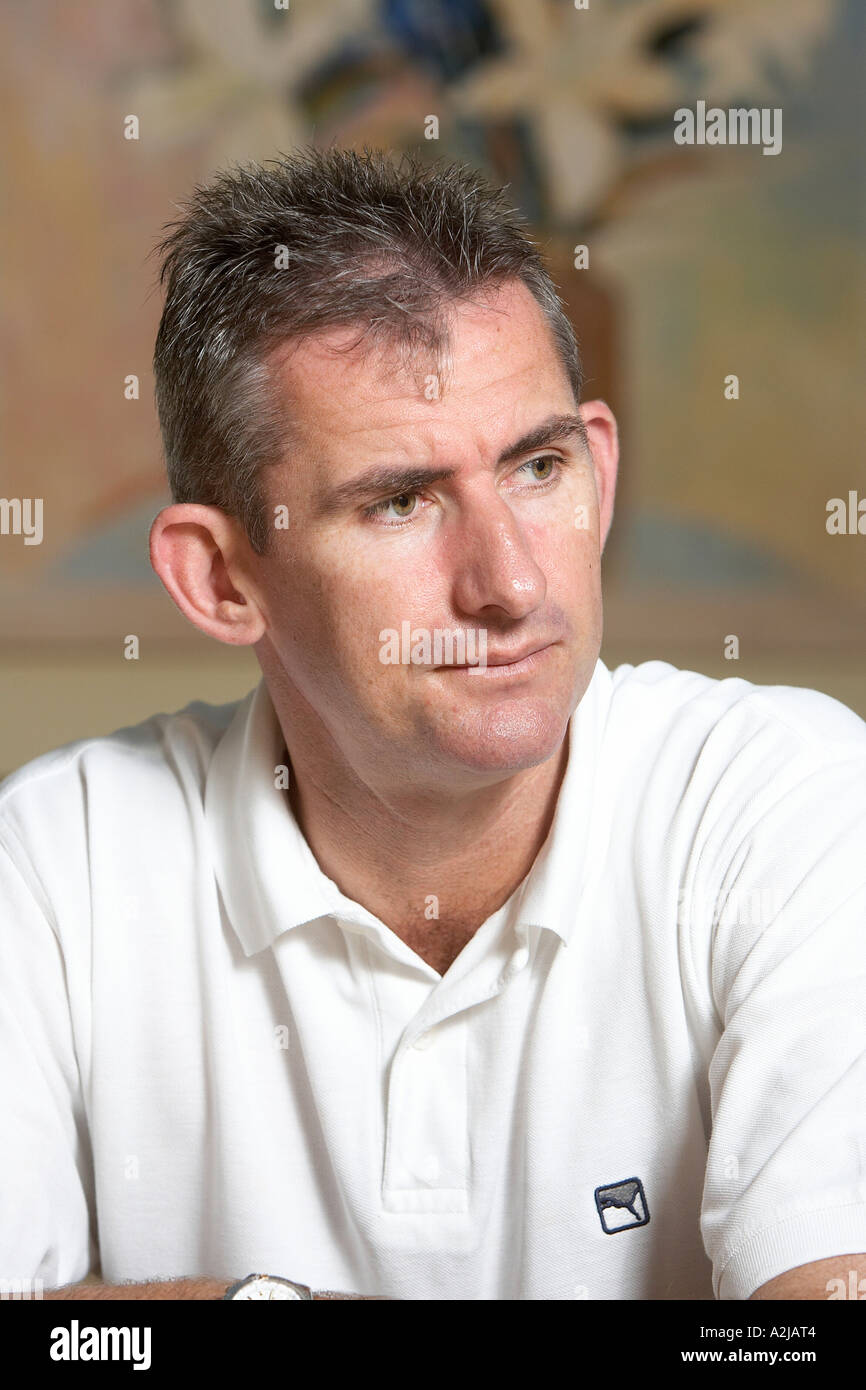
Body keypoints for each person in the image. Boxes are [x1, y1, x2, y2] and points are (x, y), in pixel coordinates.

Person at [1, 146, 864, 1302]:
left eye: (536, 467)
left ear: (598, 471)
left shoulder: (788, 806)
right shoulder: (54, 869)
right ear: (219, 579)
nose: (508, 584)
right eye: (400, 501)